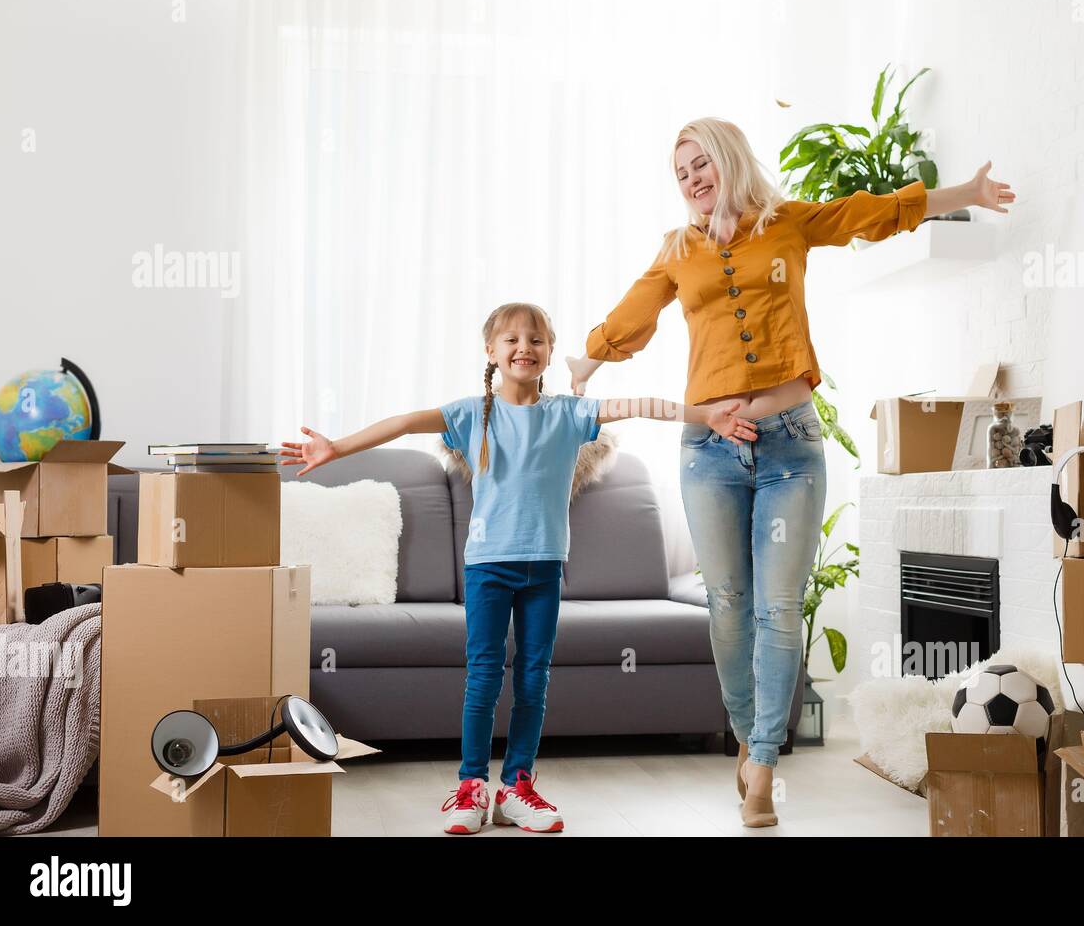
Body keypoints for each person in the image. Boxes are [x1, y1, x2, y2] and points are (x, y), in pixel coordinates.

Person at [569, 117, 1015, 826]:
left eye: (700, 162)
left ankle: (763, 767)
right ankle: (748, 739)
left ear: (728, 159)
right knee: (728, 606)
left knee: (779, 609)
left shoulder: (787, 225)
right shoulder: (676, 251)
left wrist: (964, 191)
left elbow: (866, 214)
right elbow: (634, 313)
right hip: (708, 451)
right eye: (679, 171)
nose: (691, 178)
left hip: (790, 444)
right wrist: (585, 361)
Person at [281, 301, 757, 834]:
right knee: (484, 676)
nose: (523, 348)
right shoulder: (469, 414)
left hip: (545, 568)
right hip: (488, 568)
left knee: (533, 678)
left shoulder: (568, 414)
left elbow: (640, 405)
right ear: (491, 352)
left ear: (551, 352)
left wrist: (706, 414)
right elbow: (403, 422)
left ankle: (517, 785)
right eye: (510, 340)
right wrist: (336, 447)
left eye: (535, 340)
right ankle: (470, 786)